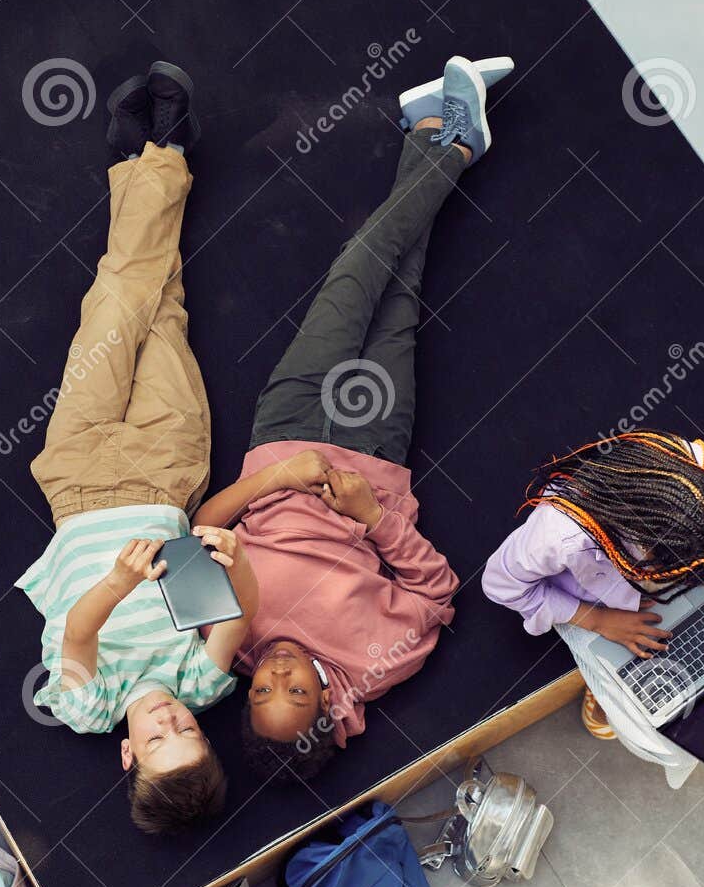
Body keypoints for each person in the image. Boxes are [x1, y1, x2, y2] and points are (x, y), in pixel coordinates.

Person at [193, 55, 513, 782]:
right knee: (400, 294)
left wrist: (279, 477)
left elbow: (201, 528)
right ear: (327, 709)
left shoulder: (223, 643)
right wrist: (372, 515)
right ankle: (427, 130)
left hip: (284, 434)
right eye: (296, 692)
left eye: (264, 692)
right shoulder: (376, 664)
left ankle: (456, 145)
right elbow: (437, 593)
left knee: (354, 274)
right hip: (372, 452)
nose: (277, 673)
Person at [15, 61, 257, 835]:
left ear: (127, 755)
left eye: (156, 740)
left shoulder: (86, 709)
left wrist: (120, 581)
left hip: (79, 481)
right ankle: (152, 155)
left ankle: (159, 155)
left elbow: (79, 635)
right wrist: (234, 561)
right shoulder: (202, 684)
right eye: (186, 732)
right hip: (165, 470)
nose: (169, 719)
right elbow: (241, 617)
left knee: (116, 307)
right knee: (162, 313)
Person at [482, 430, 704, 788]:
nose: (684, 585)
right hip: (588, 603)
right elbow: (500, 583)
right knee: (656, 735)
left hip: (646, 578)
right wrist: (597, 620)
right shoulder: (558, 537)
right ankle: (606, 690)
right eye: (668, 577)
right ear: (641, 553)